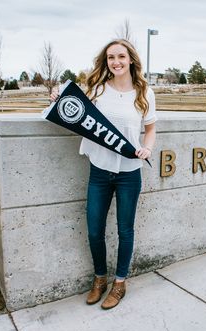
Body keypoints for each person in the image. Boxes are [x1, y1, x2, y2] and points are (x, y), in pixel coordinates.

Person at [50, 39, 156, 310]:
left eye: (121, 56)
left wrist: (147, 148)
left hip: (129, 173)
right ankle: (100, 278)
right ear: (106, 61)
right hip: (99, 170)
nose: (116, 62)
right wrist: (56, 95)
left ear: (131, 59)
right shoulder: (96, 90)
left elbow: (150, 129)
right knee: (95, 230)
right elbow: (71, 106)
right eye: (111, 57)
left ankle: (120, 283)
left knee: (125, 230)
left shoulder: (145, 93)